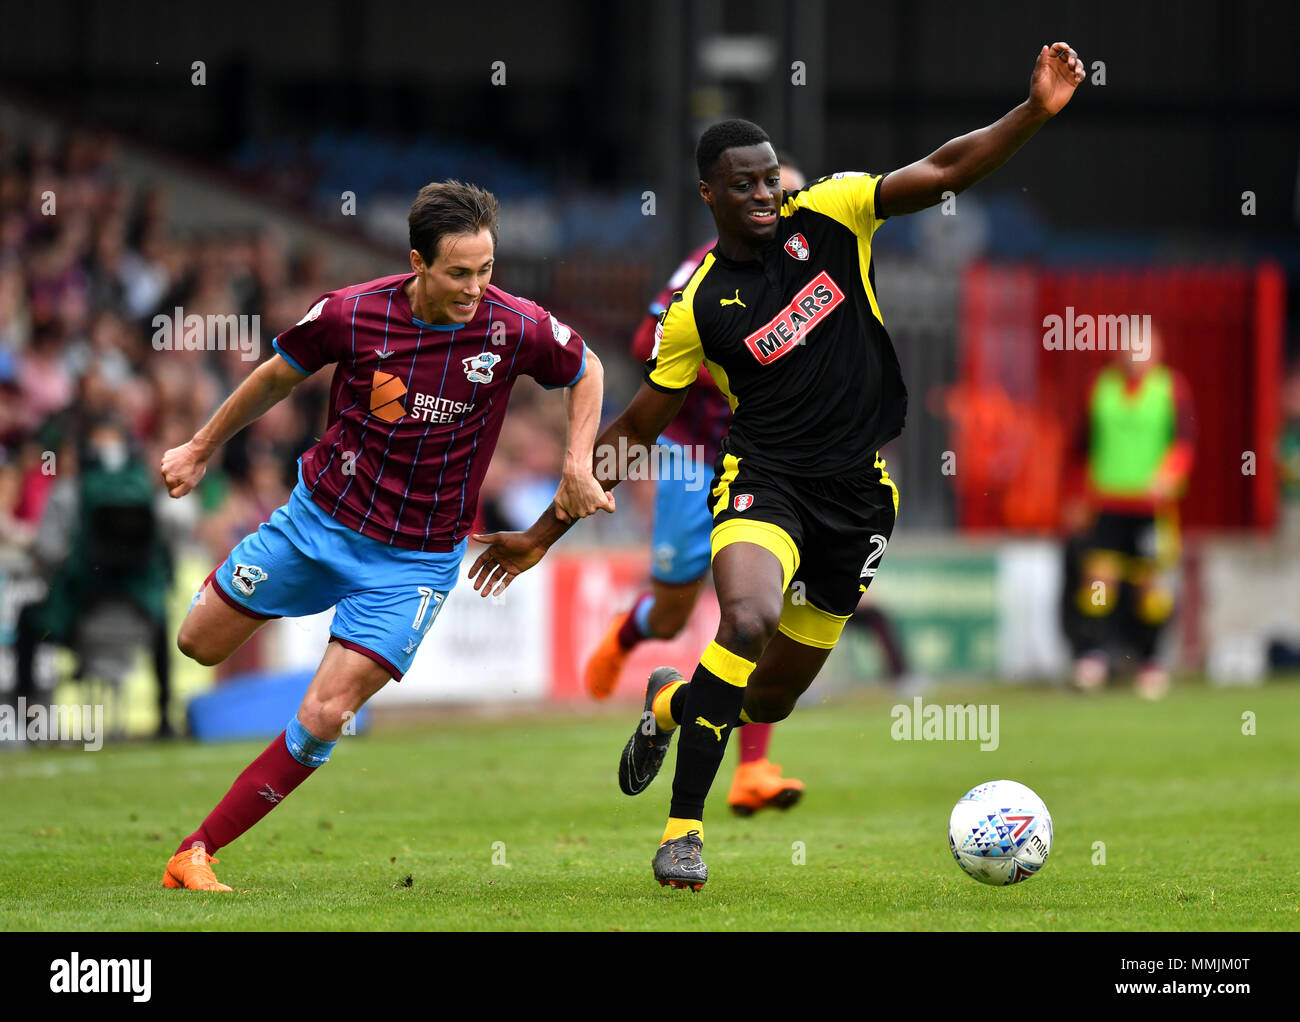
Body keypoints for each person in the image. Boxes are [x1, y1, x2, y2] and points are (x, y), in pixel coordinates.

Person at [470, 43, 1085, 890]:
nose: (765, 194)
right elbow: (640, 425)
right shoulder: (699, 307)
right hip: (765, 481)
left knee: (767, 699)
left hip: (859, 499)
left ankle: (667, 704)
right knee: (747, 622)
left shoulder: (833, 214)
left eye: (770, 180)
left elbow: (943, 172)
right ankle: (683, 831)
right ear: (709, 194)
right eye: (746, 184)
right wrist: (546, 530)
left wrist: (1033, 114)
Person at [158, 180, 610, 892]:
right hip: (319, 522)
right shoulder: (353, 313)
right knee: (197, 643)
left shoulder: (509, 325)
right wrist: (199, 446)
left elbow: (587, 367)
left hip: (416, 560)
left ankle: (196, 852)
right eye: (459, 272)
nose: (475, 288)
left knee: (327, 712)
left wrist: (575, 464)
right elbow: (276, 377)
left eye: (486, 269)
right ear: (418, 263)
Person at [1061, 328, 1194, 699]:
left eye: (1143, 347)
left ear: (1158, 351)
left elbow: (1185, 442)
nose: (1134, 354)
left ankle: (1151, 661)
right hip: (1106, 503)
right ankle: (1093, 656)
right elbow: (1081, 446)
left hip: (1152, 507)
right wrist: (1075, 496)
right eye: (1129, 347)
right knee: (1099, 584)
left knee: (1151, 590)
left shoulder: (1171, 388)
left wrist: (1169, 474)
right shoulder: (1101, 387)